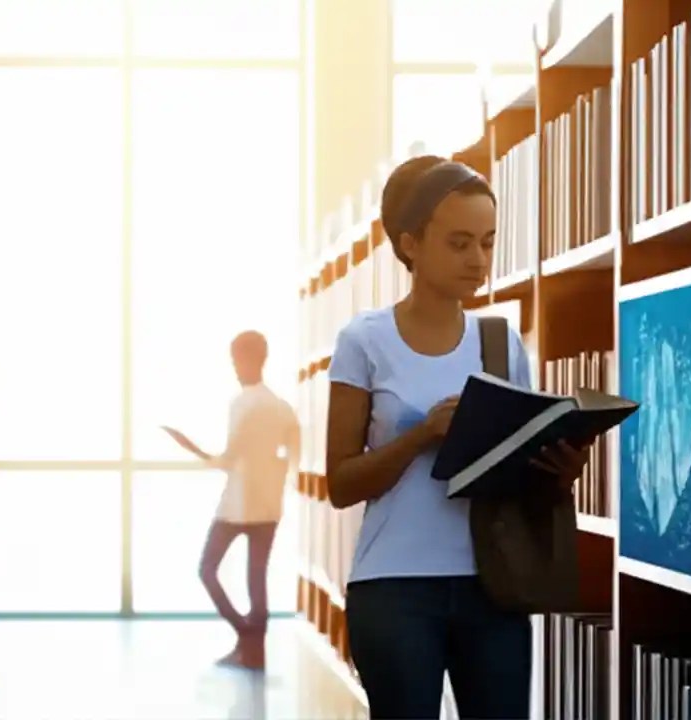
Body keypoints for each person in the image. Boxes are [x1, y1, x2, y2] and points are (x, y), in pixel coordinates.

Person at [324, 156, 592, 719]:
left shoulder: (499, 341)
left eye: (488, 243)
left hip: (493, 583)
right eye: (459, 242)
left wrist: (558, 470)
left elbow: (517, 471)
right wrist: (422, 434)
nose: (478, 260)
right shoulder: (364, 341)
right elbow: (342, 483)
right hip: (394, 587)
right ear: (411, 244)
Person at [161, 330, 300, 670]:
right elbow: (292, 457)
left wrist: (189, 446)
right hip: (269, 506)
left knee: (207, 569)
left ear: (248, 360)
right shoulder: (281, 407)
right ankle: (253, 651)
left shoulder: (243, 403)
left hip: (238, 504)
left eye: (236, 360)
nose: (234, 368)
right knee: (257, 579)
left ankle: (246, 635)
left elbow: (227, 460)